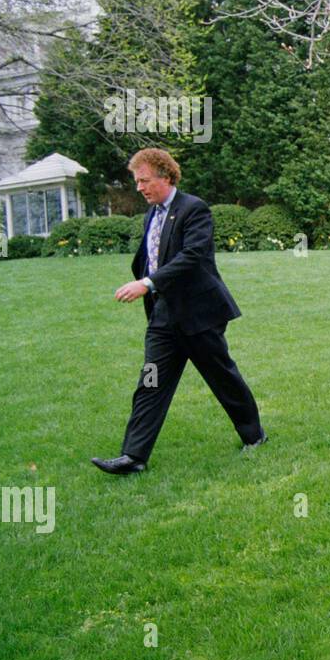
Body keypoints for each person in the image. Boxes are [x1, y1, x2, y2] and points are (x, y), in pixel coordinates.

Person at [92, 148, 265, 475]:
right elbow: (151, 257)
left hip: (198, 316)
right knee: (150, 382)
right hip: (163, 318)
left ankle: (254, 435)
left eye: (144, 180)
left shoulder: (193, 209)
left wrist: (147, 283)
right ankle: (133, 457)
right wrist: (149, 285)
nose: (139, 188)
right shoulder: (151, 215)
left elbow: (192, 256)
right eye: (137, 181)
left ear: (166, 176)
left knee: (223, 378)